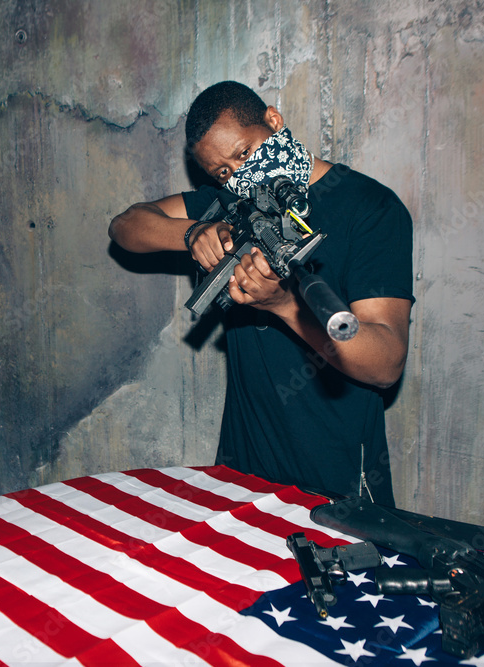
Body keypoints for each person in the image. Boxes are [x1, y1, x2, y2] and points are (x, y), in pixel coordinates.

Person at [108, 81, 414, 506]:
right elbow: (125, 226)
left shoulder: (370, 208)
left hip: (337, 482)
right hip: (241, 473)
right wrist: (193, 233)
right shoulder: (232, 202)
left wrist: (286, 306)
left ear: (273, 120)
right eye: (223, 172)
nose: (239, 174)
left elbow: (386, 362)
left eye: (244, 153)